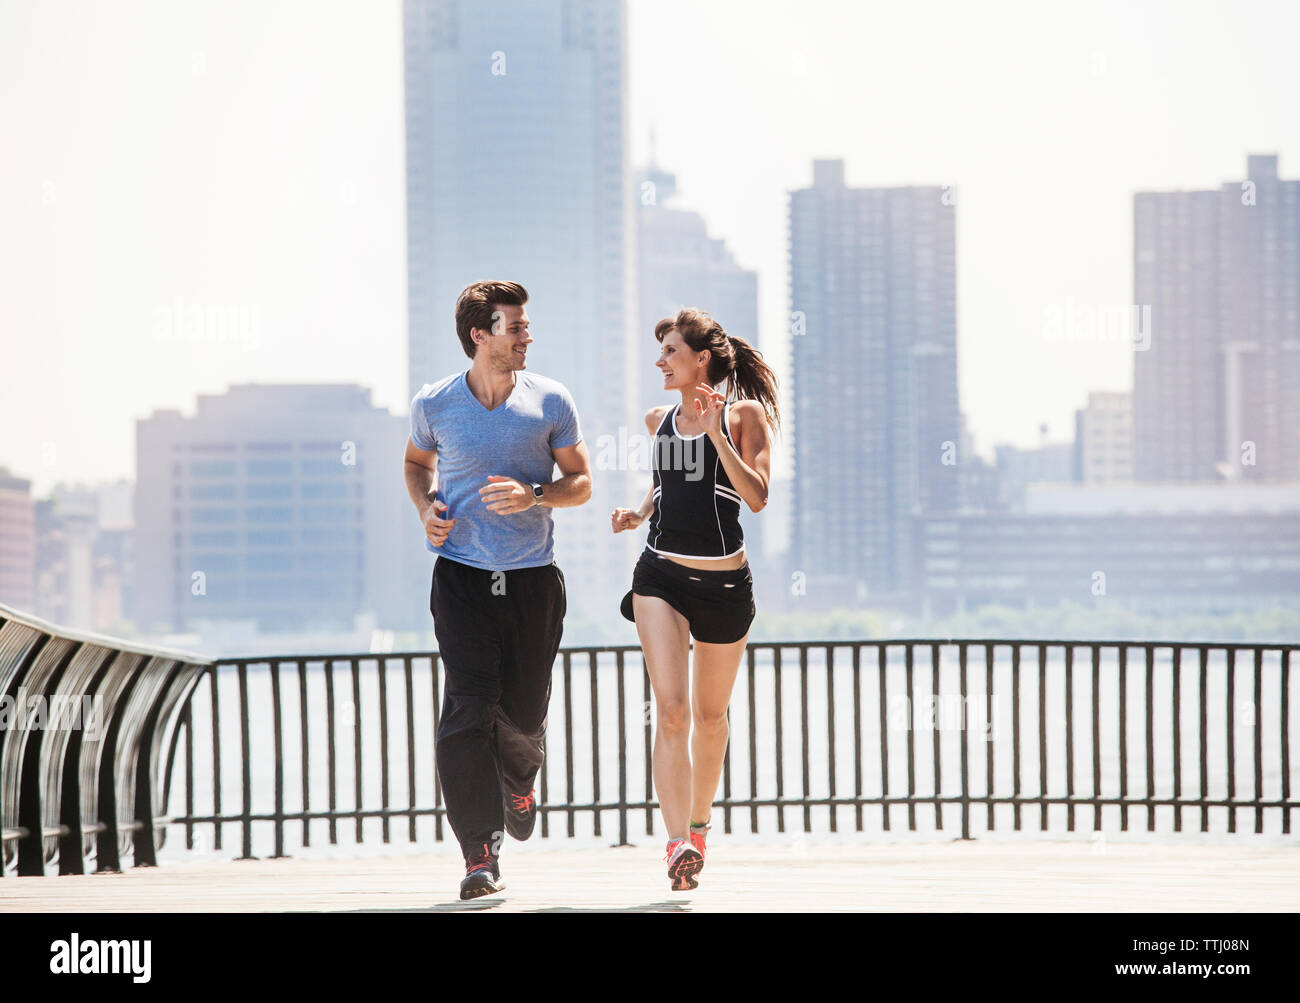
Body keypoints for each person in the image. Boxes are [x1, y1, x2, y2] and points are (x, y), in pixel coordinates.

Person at [404, 280, 592, 899]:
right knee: (466, 710)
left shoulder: (551, 401)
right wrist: (426, 507)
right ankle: (478, 854)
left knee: (523, 714)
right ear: (480, 335)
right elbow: (415, 464)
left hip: (534, 581)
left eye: (526, 326)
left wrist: (533, 494)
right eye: (516, 327)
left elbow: (582, 482)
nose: (527, 336)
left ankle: (519, 779)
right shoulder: (434, 404)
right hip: (459, 577)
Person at [611, 307, 780, 891]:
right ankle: (677, 842)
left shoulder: (743, 416)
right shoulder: (659, 419)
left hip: (725, 586)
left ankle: (701, 827)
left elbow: (755, 497)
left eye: (671, 352)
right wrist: (639, 511)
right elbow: (668, 485)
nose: (661, 362)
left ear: (700, 359)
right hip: (659, 576)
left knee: (710, 719)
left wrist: (715, 435)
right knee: (673, 711)